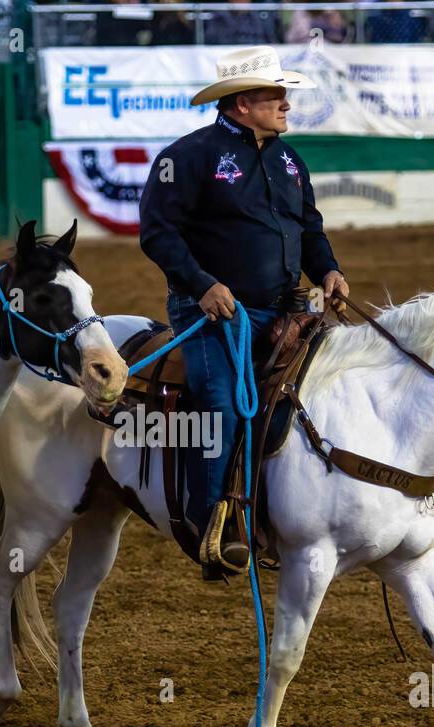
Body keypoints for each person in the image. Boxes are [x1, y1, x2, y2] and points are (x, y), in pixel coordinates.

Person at [139, 46, 349, 576]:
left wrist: (328, 270)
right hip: (209, 312)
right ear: (240, 103)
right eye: (276, 94)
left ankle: (288, 512)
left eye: (284, 93)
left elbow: (309, 228)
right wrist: (203, 285)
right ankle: (214, 524)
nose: (286, 103)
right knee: (224, 403)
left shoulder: (287, 159)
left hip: (285, 311)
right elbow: (158, 234)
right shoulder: (186, 157)